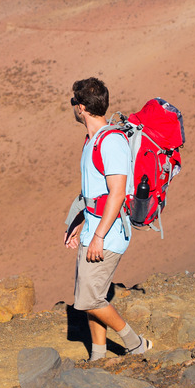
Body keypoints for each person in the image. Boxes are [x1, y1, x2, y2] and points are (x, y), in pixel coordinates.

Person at [65, 77, 152, 362]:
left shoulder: (110, 142)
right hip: (93, 227)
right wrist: (78, 225)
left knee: (88, 299)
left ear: (81, 108)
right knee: (93, 296)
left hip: (109, 232)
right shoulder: (92, 141)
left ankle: (135, 343)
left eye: (72, 102)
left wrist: (100, 236)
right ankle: (99, 356)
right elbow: (93, 193)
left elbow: (116, 194)